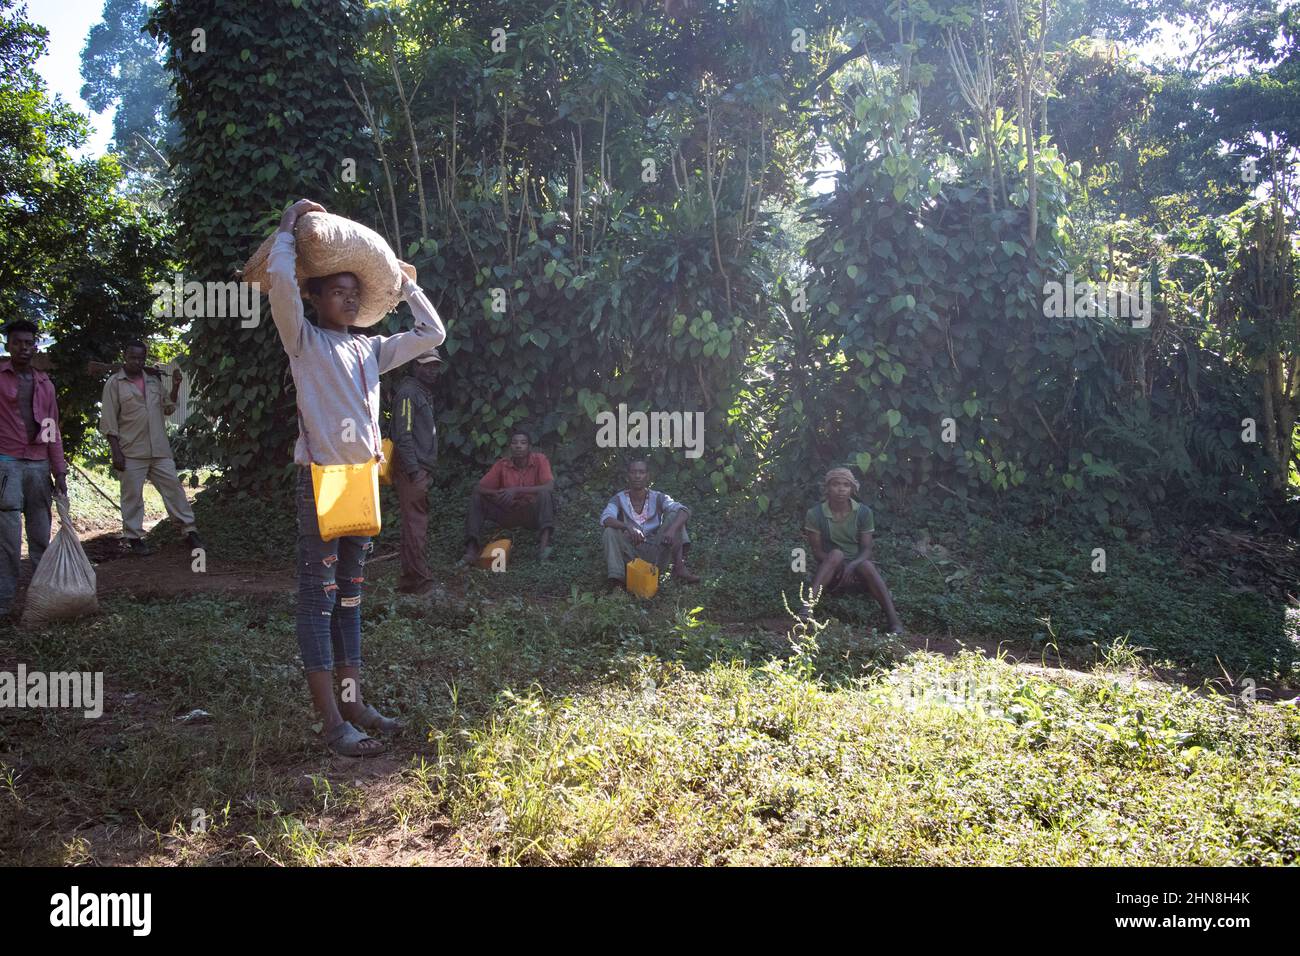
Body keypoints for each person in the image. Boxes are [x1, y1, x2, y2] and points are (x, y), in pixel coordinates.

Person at [270, 198, 446, 757]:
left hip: (361, 484)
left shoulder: (371, 350)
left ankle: (355, 704)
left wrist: (403, 283)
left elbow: (433, 333)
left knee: (350, 600)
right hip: (320, 481)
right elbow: (279, 284)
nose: (348, 297)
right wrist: (285, 229)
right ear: (314, 298)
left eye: (355, 291)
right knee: (317, 601)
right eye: (337, 290)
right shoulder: (304, 342)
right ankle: (332, 723)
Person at [99, 341, 203, 555]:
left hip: (159, 449)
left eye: (140, 358)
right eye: (132, 357)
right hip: (131, 450)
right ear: (125, 356)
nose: (137, 362)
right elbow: (109, 421)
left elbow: (168, 407)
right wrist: (115, 451)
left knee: (174, 488)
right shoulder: (115, 383)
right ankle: (134, 537)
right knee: (132, 496)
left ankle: (189, 530)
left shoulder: (153, 381)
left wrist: (175, 386)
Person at [0, 320, 67, 618]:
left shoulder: (44, 384)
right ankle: (4, 602)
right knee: (8, 539)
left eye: (29, 343)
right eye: (18, 342)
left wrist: (60, 472)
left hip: (39, 465)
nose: (24, 348)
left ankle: (44, 599)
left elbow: (52, 429)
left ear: (35, 346)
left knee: (41, 535)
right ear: (8, 345)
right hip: (7, 464)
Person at [801, 466, 904, 634]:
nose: (841, 489)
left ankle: (894, 621)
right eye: (836, 484)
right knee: (836, 554)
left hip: (857, 573)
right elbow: (817, 552)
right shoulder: (815, 514)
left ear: (852, 489)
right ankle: (807, 608)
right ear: (827, 488)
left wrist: (852, 566)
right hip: (830, 571)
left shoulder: (863, 512)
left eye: (846, 485)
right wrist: (840, 565)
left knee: (867, 565)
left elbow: (867, 550)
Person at [600, 458, 699, 589]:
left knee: (676, 516)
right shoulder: (619, 498)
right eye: (633, 472)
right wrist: (627, 527)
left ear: (647, 476)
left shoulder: (658, 497)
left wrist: (671, 530)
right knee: (609, 531)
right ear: (628, 476)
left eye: (641, 472)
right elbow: (605, 518)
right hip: (631, 555)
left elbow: (684, 510)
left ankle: (679, 568)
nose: (637, 476)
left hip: (657, 551)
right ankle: (618, 582)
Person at [390, 348, 442, 595]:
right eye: (427, 365)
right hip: (413, 470)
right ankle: (421, 582)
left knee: (413, 524)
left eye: (435, 365)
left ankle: (410, 580)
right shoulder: (409, 393)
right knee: (416, 525)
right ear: (415, 366)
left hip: (418, 469)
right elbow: (403, 434)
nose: (432, 370)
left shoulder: (419, 392)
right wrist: (414, 471)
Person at [462, 429, 555, 564]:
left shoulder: (540, 460)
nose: (518, 446)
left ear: (529, 447)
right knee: (477, 497)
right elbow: (478, 488)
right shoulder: (502, 464)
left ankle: (543, 551)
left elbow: (549, 486)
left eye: (523, 443)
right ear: (510, 447)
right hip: (507, 512)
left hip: (531, 514)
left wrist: (516, 490)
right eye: (515, 443)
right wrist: (499, 493)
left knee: (545, 494)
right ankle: (471, 550)